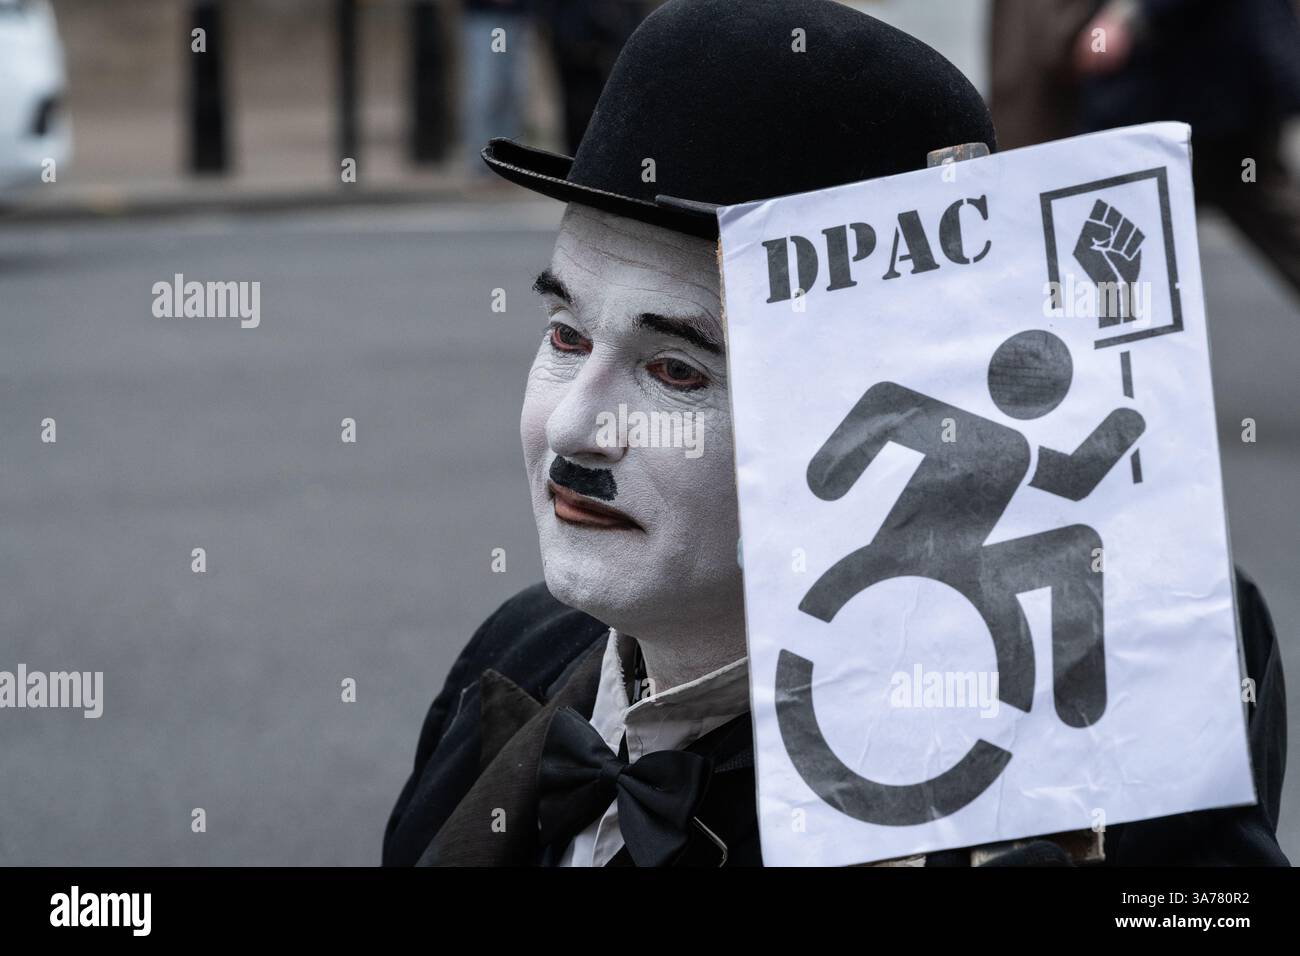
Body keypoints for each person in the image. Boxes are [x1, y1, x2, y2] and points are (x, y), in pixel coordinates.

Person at [384, 0, 1288, 867]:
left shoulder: (1069, 741)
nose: (577, 427)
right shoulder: (516, 654)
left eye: (676, 372)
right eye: (566, 336)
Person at [461, 0, 535, 181]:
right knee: (488, 88)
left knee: (513, 90)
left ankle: (510, 160)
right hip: (487, 16)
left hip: (516, 16)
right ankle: (483, 162)